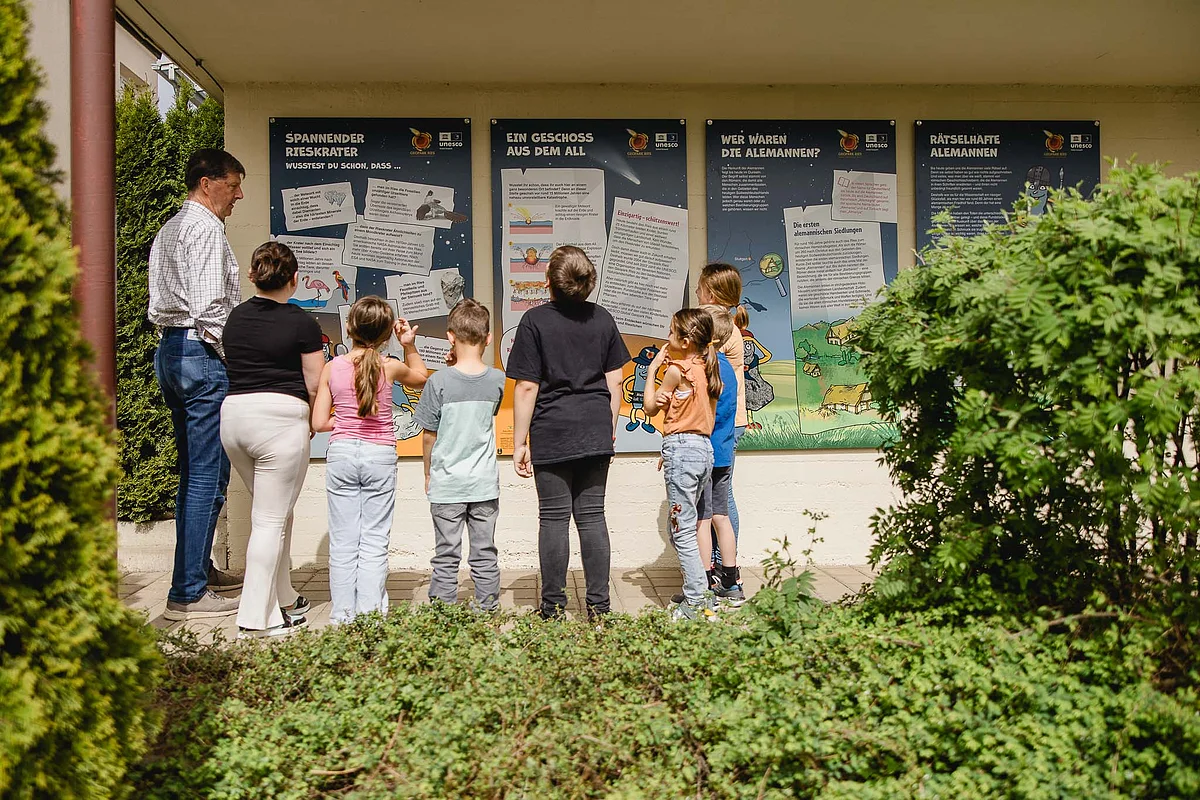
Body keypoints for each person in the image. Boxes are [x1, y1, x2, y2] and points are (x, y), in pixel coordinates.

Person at [506, 246, 629, 621]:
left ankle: (554, 608)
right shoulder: (603, 319)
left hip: (552, 429)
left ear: (550, 284)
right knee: (592, 517)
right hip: (593, 427)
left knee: (554, 519)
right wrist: (607, 428)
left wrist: (519, 442)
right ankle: (600, 608)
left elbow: (526, 388)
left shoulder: (534, 322)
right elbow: (616, 381)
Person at [152, 148, 246, 621]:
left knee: (194, 472)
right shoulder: (207, 230)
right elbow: (212, 310)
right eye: (233, 185)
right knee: (207, 477)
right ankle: (187, 591)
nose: (239, 195)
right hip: (202, 354)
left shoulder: (170, 228)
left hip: (171, 351)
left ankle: (198, 570)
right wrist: (240, 361)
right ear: (208, 183)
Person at [218, 242, 324, 637]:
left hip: (234, 419)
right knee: (269, 520)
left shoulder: (235, 319)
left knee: (279, 514)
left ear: (252, 277)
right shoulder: (302, 323)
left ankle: (284, 595)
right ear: (294, 280)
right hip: (279, 422)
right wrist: (315, 419)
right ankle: (256, 618)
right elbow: (315, 383)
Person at [311, 297, 428, 624]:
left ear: (349, 329)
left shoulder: (332, 368)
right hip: (379, 455)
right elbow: (421, 376)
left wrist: (346, 423)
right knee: (375, 539)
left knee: (344, 541)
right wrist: (410, 345)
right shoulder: (389, 365)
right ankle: (370, 617)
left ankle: (342, 617)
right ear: (387, 333)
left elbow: (319, 422)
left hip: (342, 454)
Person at [414, 299, 506, 611]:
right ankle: (487, 609)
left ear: (450, 337)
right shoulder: (497, 380)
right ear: (488, 338)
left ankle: (442, 614)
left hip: (447, 484)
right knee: (484, 551)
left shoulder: (437, 381)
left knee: (446, 553)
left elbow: (429, 436)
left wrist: (428, 473)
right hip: (483, 483)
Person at [643, 308, 723, 621]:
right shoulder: (710, 369)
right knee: (683, 527)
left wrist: (652, 372)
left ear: (686, 341)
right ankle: (703, 596)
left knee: (683, 531)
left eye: (672, 332)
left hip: (683, 448)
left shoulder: (677, 370)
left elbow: (650, 408)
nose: (667, 337)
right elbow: (708, 418)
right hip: (702, 449)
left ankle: (696, 603)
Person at [696, 263, 748, 561]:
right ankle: (717, 565)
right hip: (722, 419)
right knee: (716, 497)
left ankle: (722, 565)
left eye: (700, 288)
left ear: (712, 294)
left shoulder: (723, 331)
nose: (696, 293)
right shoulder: (724, 326)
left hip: (722, 420)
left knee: (720, 499)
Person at [696, 306, 744, 606]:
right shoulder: (728, 368)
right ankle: (731, 579)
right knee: (721, 517)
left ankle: (703, 584)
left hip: (704, 453)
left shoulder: (704, 369)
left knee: (700, 520)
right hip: (724, 454)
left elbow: (702, 415)